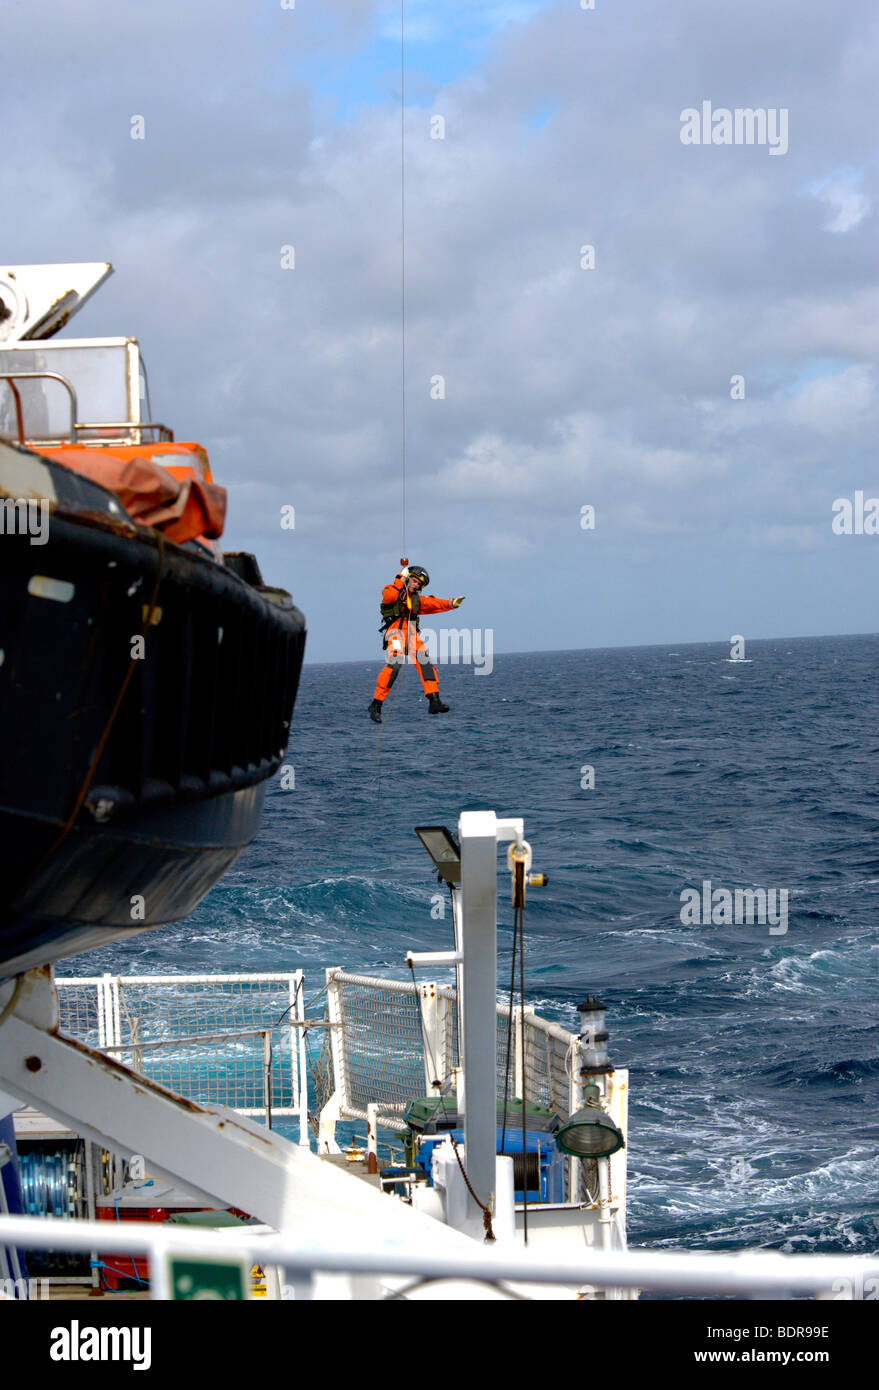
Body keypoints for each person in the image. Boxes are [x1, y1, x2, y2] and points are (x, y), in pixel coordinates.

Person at [368, 561, 465, 721]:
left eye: (418, 584)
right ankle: (376, 704)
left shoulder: (416, 600)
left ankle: (434, 701)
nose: (415, 585)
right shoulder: (391, 589)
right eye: (414, 581)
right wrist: (401, 576)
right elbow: (390, 596)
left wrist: (451, 603)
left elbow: (433, 603)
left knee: (425, 663)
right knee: (395, 664)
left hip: (412, 634)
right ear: (408, 579)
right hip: (396, 632)